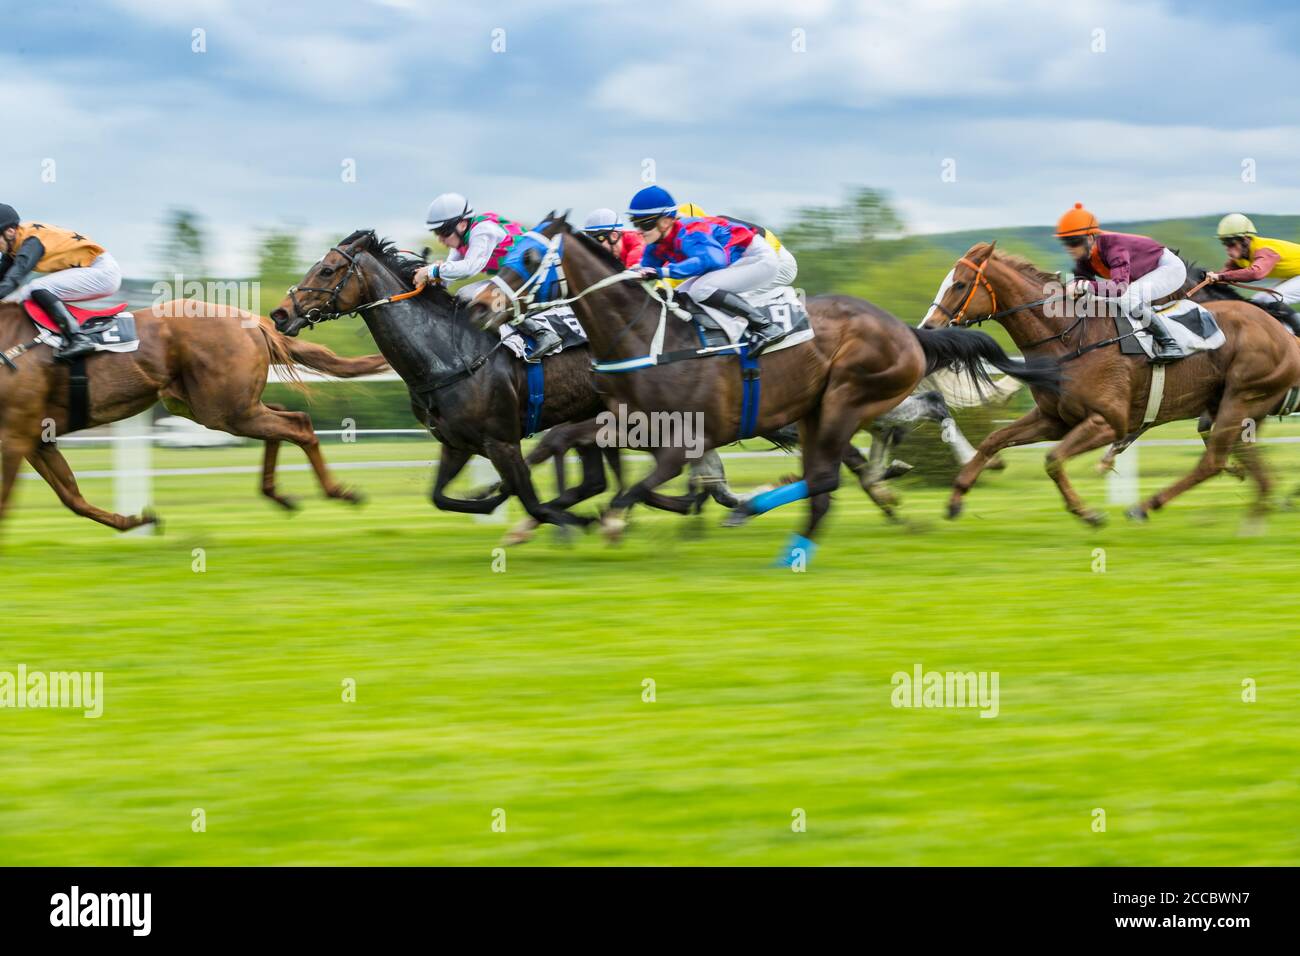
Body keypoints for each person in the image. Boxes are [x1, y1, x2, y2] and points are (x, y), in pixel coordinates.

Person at [626, 185, 789, 354]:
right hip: (737, 263)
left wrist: (661, 272)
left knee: (700, 289)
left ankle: (765, 327)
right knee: (680, 294)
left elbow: (713, 261)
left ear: (665, 221)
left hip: (758, 259)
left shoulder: (691, 232)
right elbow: (646, 267)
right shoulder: (656, 242)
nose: (638, 231)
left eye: (644, 224)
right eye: (635, 224)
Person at [414, 192, 560, 362]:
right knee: (465, 295)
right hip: (515, 281)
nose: (440, 239)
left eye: (443, 232)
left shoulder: (483, 231)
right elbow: (447, 278)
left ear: (461, 224)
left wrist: (433, 271)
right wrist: (432, 280)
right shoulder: (461, 243)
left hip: (535, 276)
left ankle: (542, 333)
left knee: (469, 294)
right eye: (436, 233)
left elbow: (470, 267)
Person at [1055, 202, 1185, 362]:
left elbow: (1119, 288)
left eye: (1074, 242)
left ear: (1089, 238)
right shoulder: (1085, 254)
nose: (1069, 248)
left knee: (1128, 297)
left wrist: (1083, 286)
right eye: (1066, 242)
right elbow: (1082, 280)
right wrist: (1073, 287)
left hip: (1168, 268)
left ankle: (1171, 345)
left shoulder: (1113, 247)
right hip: (1144, 273)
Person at [0, 203, 117, 362]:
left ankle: (78, 339)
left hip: (103, 272)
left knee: (35, 288)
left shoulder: (31, 241)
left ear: (9, 231)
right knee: (29, 292)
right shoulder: (13, 245)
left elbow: (14, 279)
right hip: (91, 270)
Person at [1206, 213, 1300, 334]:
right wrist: (1207, 278)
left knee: (1271, 298)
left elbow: (1256, 273)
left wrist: (1219, 276)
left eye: (1231, 243)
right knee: (1256, 301)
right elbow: (1222, 276)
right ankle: (1284, 332)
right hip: (1295, 275)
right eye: (1225, 244)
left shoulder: (1265, 250)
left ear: (1245, 240)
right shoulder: (1241, 256)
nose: (1228, 249)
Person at [581, 208, 645, 268]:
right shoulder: (620, 248)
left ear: (614, 236)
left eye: (598, 240)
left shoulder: (637, 252)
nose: (595, 248)